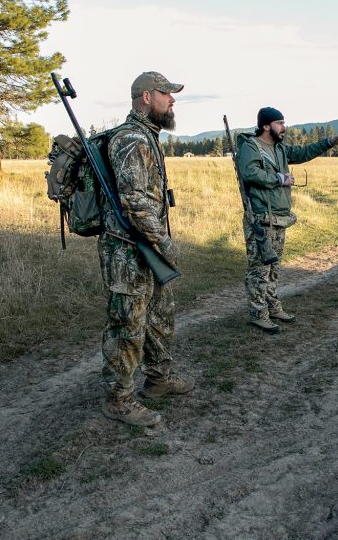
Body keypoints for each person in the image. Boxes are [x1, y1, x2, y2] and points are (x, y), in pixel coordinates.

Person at [99, 71, 195, 427]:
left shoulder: (148, 136)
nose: (172, 100)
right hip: (127, 251)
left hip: (145, 246)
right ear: (145, 97)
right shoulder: (131, 140)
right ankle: (119, 399)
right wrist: (164, 242)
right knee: (128, 325)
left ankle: (158, 380)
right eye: (166, 94)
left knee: (159, 316)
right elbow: (134, 201)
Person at [236, 107, 338, 334]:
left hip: (279, 218)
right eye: (279, 123)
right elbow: (249, 173)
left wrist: (328, 142)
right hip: (261, 218)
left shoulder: (279, 148)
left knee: (273, 267)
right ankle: (258, 314)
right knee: (259, 269)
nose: (284, 127)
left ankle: (272, 306)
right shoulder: (251, 147)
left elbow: (303, 152)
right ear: (266, 126)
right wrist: (279, 178)